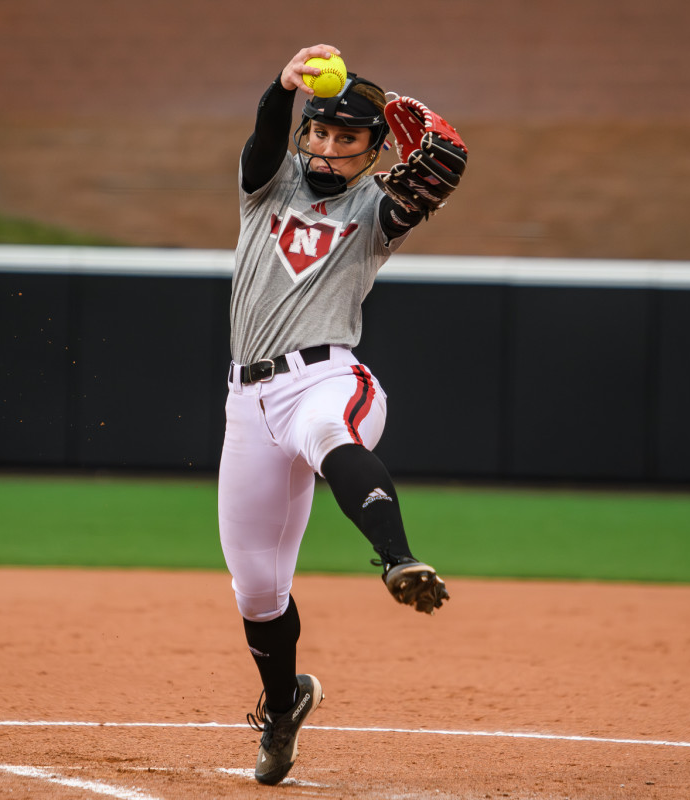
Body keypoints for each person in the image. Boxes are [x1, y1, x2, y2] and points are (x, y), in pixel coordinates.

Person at [217, 43, 467, 786]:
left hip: (325, 376)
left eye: (347, 138)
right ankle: (283, 701)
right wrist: (282, 85)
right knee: (256, 589)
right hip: (246, 401)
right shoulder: (269, 185)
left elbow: (445, 164)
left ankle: (400, 560)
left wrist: (420, 121)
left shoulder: (376, 208)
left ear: (373, 148)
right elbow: (266, 136)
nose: (326, 147)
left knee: (331, 437)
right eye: (319, 132)